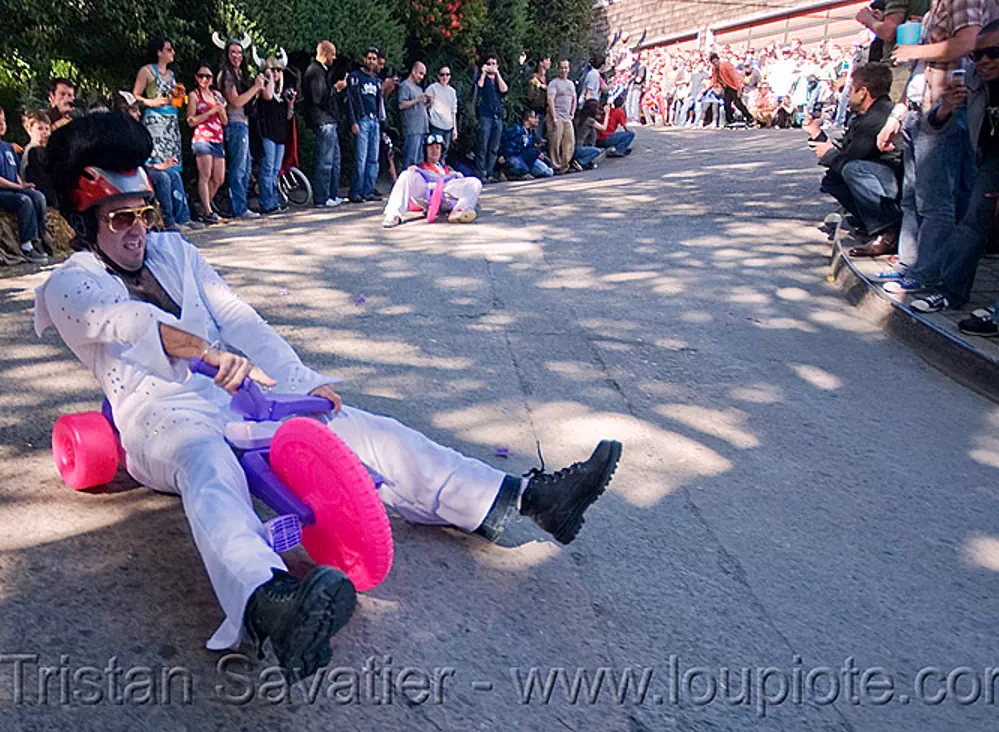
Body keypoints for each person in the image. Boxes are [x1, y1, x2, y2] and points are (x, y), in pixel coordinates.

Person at [35, 112, 622, 680]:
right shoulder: (69, 284)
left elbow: (239, 319)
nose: (137, 228)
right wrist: (204, 353)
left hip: (232, 396)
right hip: (157, 418)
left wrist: (302, 381)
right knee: (208, 465)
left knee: (356, 426)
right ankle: (268, 603)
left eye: (143, 211)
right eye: (118, 219)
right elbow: (124, 323)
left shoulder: (176, 252)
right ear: (87, 224)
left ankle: (521, 497)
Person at [910, 20, 999, 315]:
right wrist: (945, 109)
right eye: (977, 55)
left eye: (994, 52)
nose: (983, 61)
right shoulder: (973, 76)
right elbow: (931, 129)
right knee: (972, 221)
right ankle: (949, 291)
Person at [879, 0, 999, 295]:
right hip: (922, 107)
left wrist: (915, 50)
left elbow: (969, 41)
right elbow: (926, 66)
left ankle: (926, 273)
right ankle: (909, 265)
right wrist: (899, 112)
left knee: (935, 202)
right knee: (912, 198)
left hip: (945, 110)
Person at [811, 62, 903, 258]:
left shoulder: (877, 117)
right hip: (883, 177)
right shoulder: (867, 114)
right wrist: (817, 134)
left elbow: (850, 159)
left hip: (894, 181)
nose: (847, 95)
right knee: (833, 180)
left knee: (852, 170)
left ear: (863, 92)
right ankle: (867, 221)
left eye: (849, 89)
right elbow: (846, 153)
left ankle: (888, 232)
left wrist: (828, 154)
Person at [0, 102, 51, 264]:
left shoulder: (8, 147)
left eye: (3, 120)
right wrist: (18, 188)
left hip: (11, 188)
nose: (2, 123)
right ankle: (26, 244)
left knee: (38, 197)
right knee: (24, 201)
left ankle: (40, 237)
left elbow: (15, 174)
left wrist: (23, 185)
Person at [113, 91, 199, 232]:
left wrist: (158, 165)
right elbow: (131, 162)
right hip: (130, 173)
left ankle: (183, 218)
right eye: (134, 111)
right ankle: (169, 222)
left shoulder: (136, 131)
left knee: (172, 173)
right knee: (162, 177)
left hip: (142, 169)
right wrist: (156, 166)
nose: (139, 114)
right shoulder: (119, 133)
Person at [382, 131, 484, 227]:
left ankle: (460, 211)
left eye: (437, 148)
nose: (434, 150)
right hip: (427, 194)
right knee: (406, 175)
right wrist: (414, 171)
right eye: (431, 148)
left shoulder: (446, 169)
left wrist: (458, 176)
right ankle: (393, 214)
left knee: (475, 182)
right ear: (425, 150)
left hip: (446, 195)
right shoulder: (419, 168)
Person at [218, 40, 265, 220]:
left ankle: (242, 206)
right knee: (238, 169)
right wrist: (255, 88)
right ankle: (239, 208)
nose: (236, 56)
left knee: (245, 168)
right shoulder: (227, 76)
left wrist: (256, 89)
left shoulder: (239, 75)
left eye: (239, 52)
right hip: (234, 124)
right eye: (232, 52)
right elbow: (236, 101)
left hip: (243, 124)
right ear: (227, 55)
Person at [303, 41, 346, 208]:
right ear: (325, 53)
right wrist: (336, 88)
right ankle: (321, 197)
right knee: (325, 160)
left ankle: (331, 194)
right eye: (332, 54)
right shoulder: (314, 71)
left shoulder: (322, 71)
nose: (334, 58)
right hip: (323, 120)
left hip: (330, 120)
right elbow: (318, 97)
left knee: (335, 160)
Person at [133, 39, 184, 176]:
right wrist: (150, 102)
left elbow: (178, 101)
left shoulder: (171, 74)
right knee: (157, 165)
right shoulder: (147, 71)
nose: (173, 52)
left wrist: (178, 96)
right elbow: (134, 96)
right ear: (159, 52)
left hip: (171, 125)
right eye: (169, 49)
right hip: (155, 122)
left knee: (173, 168)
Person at [187, 63, 228, 225]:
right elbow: (191, 120)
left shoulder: (217, 95)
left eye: (208, 76)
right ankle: (208, 211)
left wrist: (220, 110)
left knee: (219, 178)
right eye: (201, 76)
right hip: (203, 138)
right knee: (205, 176)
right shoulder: (194, 95)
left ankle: (204, 208)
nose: (204, 79)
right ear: (196, 78)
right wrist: (210, 112)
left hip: (218, 138)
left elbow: (224, 120)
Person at [346, 47, 383, 203]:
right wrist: (353, 121)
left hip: (375, 120)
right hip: (362, 119)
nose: (371, 61)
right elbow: (350, 101)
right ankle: (356, 192)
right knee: (361, 158)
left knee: (373, 159)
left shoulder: (377, 81)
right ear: (364, 59)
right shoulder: (355, 77)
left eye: (374, 58)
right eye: (369, 58)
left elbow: (379, 103)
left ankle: (368, 191)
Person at [257, 61, 295, 215]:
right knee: (268, 168)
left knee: (275, 170)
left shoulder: (282, 93)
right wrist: (269, 75)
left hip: (281, 136)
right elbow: (267, 96)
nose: (276, 73)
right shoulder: (266, 89)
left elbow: (288, 116)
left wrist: (291, 103)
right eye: (273, 70)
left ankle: (273, 200)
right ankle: (266, 202)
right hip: (268, 134)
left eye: (279, 70)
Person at [474, 54, 508, 183]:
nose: (491, 66)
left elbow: (504, 89)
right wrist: (483, 73)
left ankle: (489, 172)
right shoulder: (483, 78)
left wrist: (497, 74)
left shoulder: (498, 79)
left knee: (494, 146)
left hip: (497, 116)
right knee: (483, 144)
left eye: (494, 63)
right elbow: (480, 86)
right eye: (489, 63)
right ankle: (481, 172)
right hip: (485, 115)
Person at [501, 110, 553, 179]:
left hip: (525, 158)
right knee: (520, 165)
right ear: (529, 119)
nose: (537, 120)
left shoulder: (530, 133)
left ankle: (524, 172)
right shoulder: (517, 129)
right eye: (534, 118)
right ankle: (511, 172)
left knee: (548, 172)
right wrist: (501, 154)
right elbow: (503, 139)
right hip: (513, 156)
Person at [398, 62, 431, 169]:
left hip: (422, 128)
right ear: (413, 71)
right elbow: (401, 105)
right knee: (410, 161)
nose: (421, 77)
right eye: (420, 73)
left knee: (419, 161)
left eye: (423, 75)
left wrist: (427, 102)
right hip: (412, 129)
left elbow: (419, 107)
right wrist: (417, 100)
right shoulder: (405, 86)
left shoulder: (419, 88)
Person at [546, 60, 577, 173]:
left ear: (569, 69)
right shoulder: (554, 83)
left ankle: (565, 165)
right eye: (562, 68)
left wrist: (572, 112)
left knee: (570, 142)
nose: (564, 70)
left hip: (567, 117)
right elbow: (550, 100)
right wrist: (554, 117)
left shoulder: (571, 84)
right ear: (558, 69)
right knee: (555, 141)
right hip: (557, 116)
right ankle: (556, 165)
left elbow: (574, 99)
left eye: (566, 68)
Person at [710, 53, 752, 125]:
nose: (715, 63)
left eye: (716, 61)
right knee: (726, 104)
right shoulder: (714, 69)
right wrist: (715, 86)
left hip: (735, 85)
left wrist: (739, 87)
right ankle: (730, 120)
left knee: (738, 103)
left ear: (719, 60)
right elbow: (714, 79)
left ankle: (749, 117)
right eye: (713, 62)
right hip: (727, 87)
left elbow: (734, 76)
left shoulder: (726, 65)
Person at [426, 66, 458, 157]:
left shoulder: (452, 92)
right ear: (438, 76)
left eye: (447, 74)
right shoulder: (432, 88)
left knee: (445, 150)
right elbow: (425, 103)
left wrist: (455, 129)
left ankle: (441, 168)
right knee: (434, 151)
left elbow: (453, 110)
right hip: (436, 125)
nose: (445, 77)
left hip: (448, 127)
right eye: (442, 74)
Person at [573, 99, 607, 170]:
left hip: (573, 146)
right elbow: (603, 128)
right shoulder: (590, 121)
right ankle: (580, 162)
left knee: (592, 132)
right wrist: (607, 113)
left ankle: (585, 163)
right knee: (597, 151)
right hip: (579, 147)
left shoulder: (579, 117)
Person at [527, 56, 551, 138]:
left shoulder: (548, 79)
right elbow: (531, 96)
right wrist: (538, 86)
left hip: (545, 111)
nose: (549, 62)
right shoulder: (534, 78)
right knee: (536, 135)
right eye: (547, 60)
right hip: (535, 110)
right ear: (541, 63)